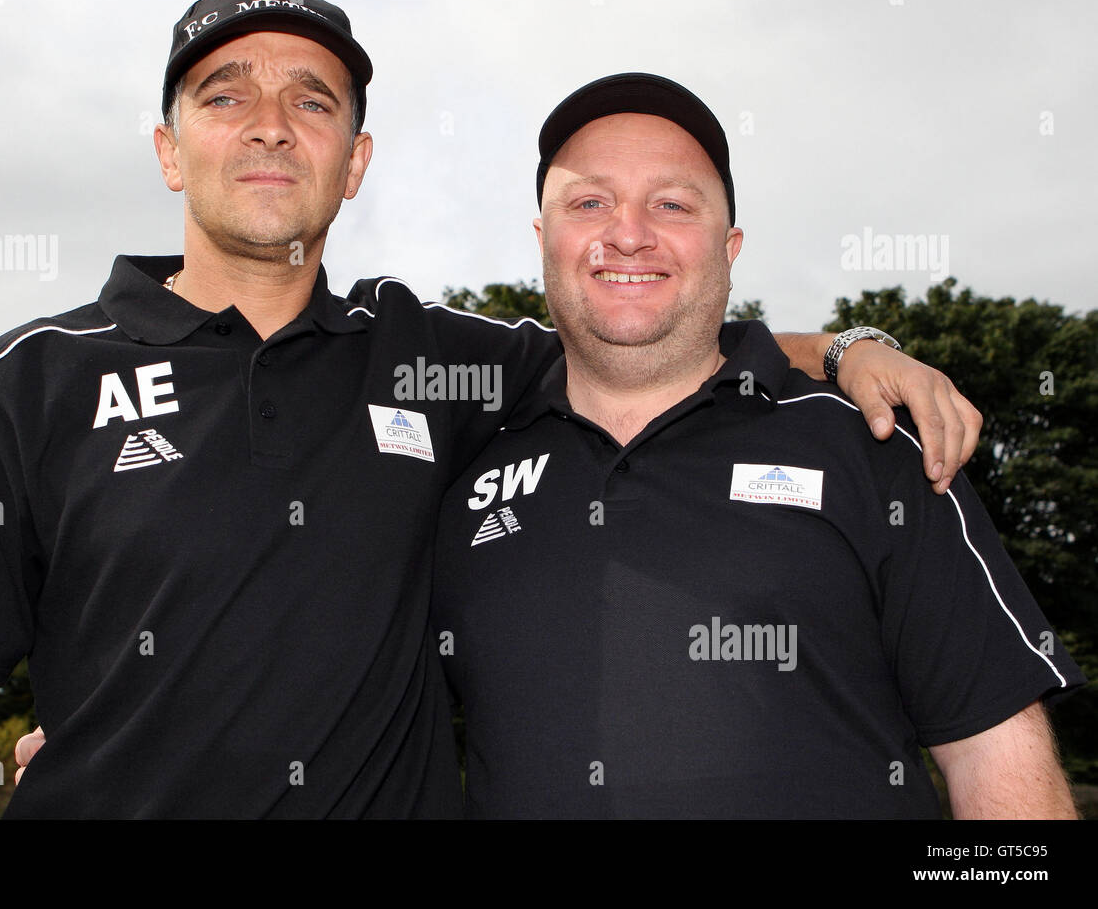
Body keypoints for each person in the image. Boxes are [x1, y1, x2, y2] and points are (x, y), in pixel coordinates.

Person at [0, 0, 979, 818]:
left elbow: (644, 333)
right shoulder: (28, 381)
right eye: (223, 92)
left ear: (356, 159)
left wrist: (846, 345)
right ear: (167, 148)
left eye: (313, 100)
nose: (270, 122)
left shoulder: (435, 362)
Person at [431, 73, 1085, 818]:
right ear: (544, 238)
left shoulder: (870, 442)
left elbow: (998, 769)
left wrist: (848, 348)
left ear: (730, 246)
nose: (629, 232)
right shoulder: (458, 468)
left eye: (672, 205)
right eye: (590, 203)